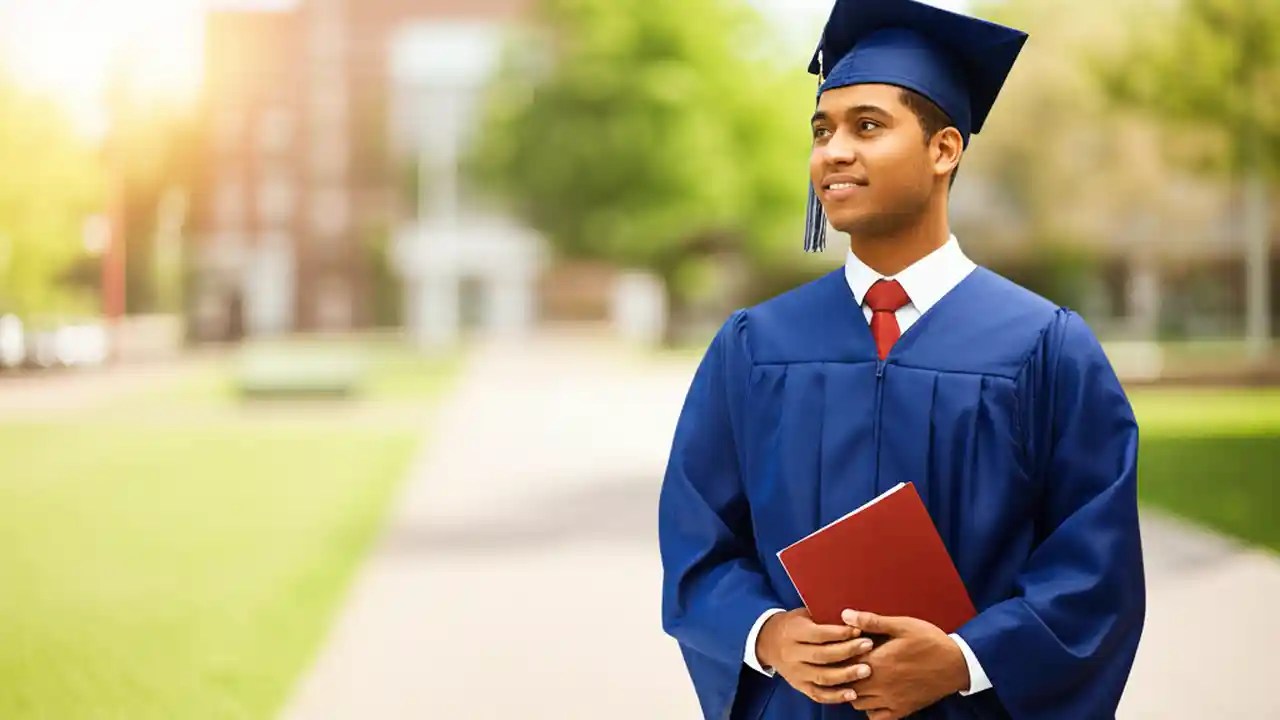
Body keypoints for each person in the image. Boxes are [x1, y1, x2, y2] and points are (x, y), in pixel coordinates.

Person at [657, 1, 1146, 718]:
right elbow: (698, 542)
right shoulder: (756, 347)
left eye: (868, 126)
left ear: (944, 149)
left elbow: (1094, 568)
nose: (833, 151)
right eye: (822, 130)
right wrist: (769, 635)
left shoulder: (1044, 347)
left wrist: (966, 660)